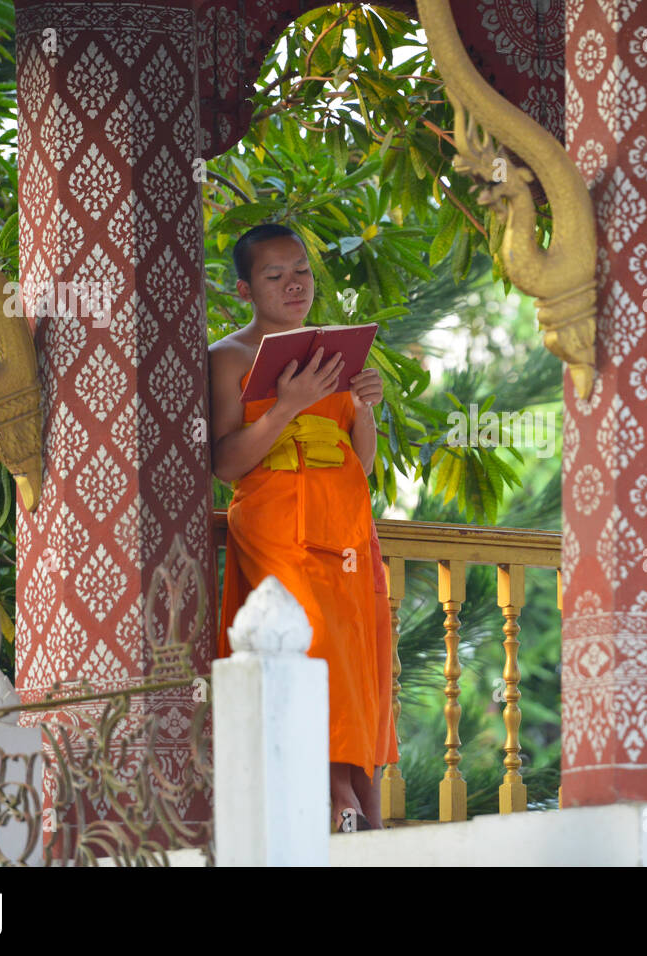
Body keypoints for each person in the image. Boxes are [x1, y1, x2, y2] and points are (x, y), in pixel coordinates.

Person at [210, 222, 397, 831]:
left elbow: (359, 464)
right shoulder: (229, 357)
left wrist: (364, 407)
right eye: (275, 275)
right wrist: (286, 405)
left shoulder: (335, 352)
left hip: (343, 521)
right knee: (308, 643)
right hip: (275, 523)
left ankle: (356, 806)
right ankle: (335, 799)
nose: (294, 285)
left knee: (352, 654)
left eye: (302, 272)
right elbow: (225, 464)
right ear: (244, 289)